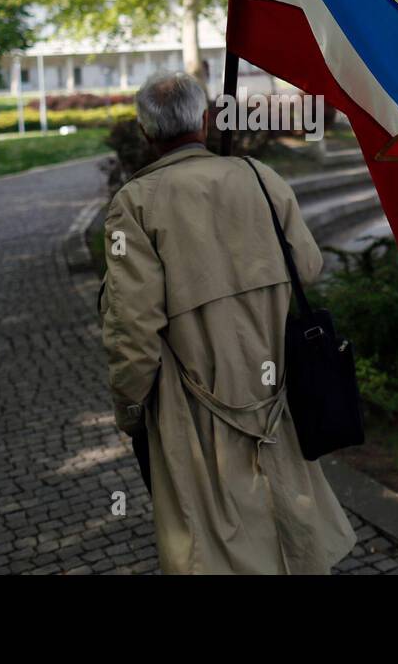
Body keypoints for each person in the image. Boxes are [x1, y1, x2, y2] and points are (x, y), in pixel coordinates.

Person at [99, 71, 356, 574]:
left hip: (189, 414)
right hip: (275, 389)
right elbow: (307, 268)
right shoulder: (260, 178)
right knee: (289, 538)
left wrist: (130, 410)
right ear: (206, 119)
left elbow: (133, 332)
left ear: (146, 131)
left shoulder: (134, 204)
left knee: (216, 552)